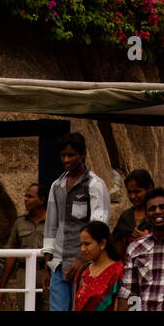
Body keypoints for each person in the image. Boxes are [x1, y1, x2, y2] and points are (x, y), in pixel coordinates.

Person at [42, 132, 111, 312]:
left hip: (86, 264)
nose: (66, 159)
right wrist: (47, 265)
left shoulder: (95, 185)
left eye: (71, 155)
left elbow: (99, 227)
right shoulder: (57, 185)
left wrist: (81, 259)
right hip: (58, 264)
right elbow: (51, 226)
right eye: (63, 155)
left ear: (82, 155)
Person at [0, 183, 48, 310]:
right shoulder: (19, 222)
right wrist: (2, 287)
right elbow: (11, 255)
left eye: (30, 196)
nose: (26, 199)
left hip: (46, 274)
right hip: (23, 275)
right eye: (25, 196)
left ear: (42, 200)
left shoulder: (52, 222)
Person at [73, 222, 124, 311]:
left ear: (102, 243)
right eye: (81, 244)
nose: (83, 249)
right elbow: (75, 307)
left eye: (87, 244)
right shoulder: (83, 271)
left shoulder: (118, 272)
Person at [112, 169, 155, 256]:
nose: (132, 196)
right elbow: (115, 241)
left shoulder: (158, 214)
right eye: (129, 192)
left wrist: (148, 239)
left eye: (137, 192)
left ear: (149, 188)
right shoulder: (126, 216)